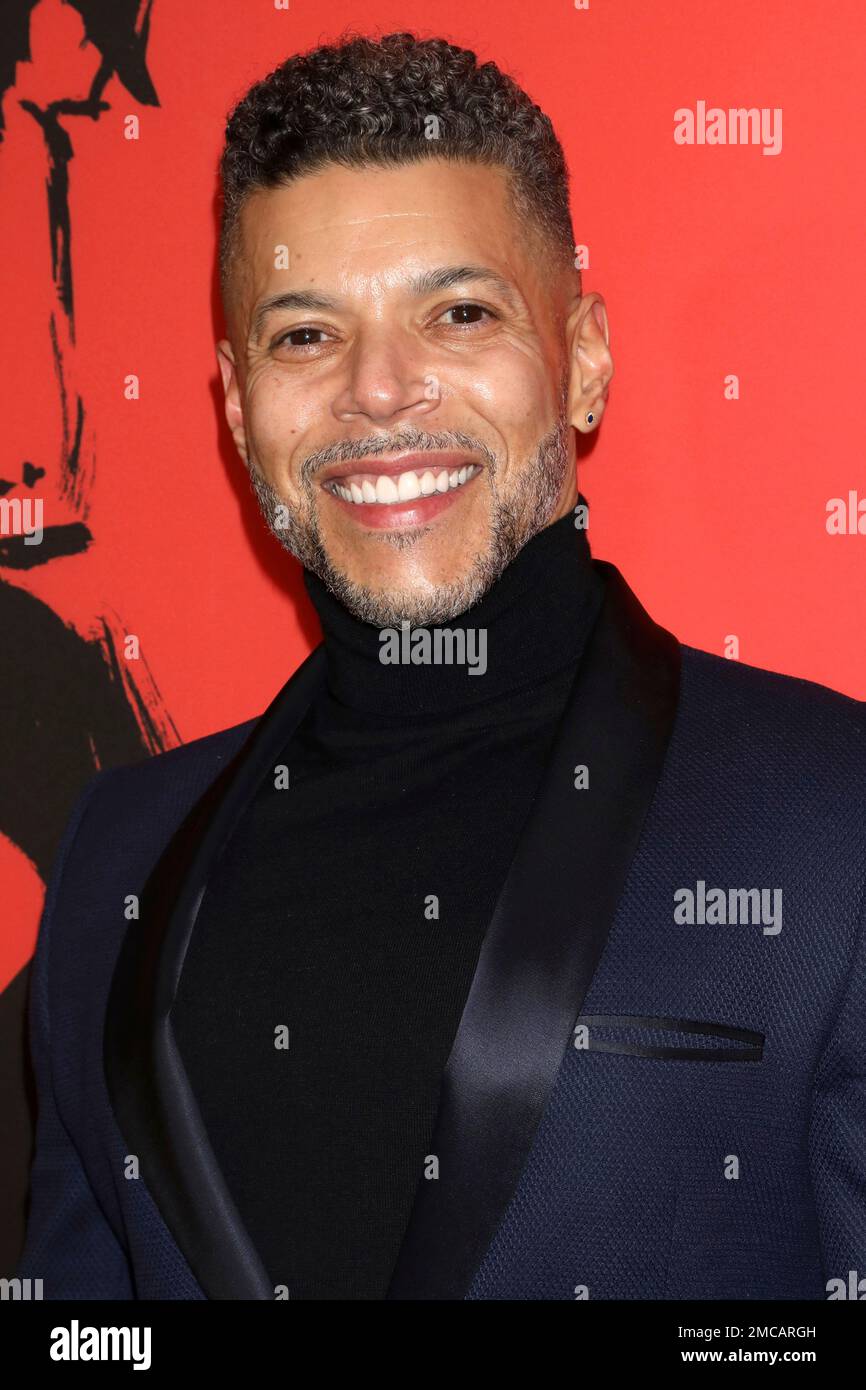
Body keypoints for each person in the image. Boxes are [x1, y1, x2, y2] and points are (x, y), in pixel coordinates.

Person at [16, 31, 866, 1301]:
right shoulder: (115, 858)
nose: (378, 390)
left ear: (581, 359)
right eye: (306, 334)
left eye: (458, 313)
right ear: (238, 408)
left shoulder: (831, 813)